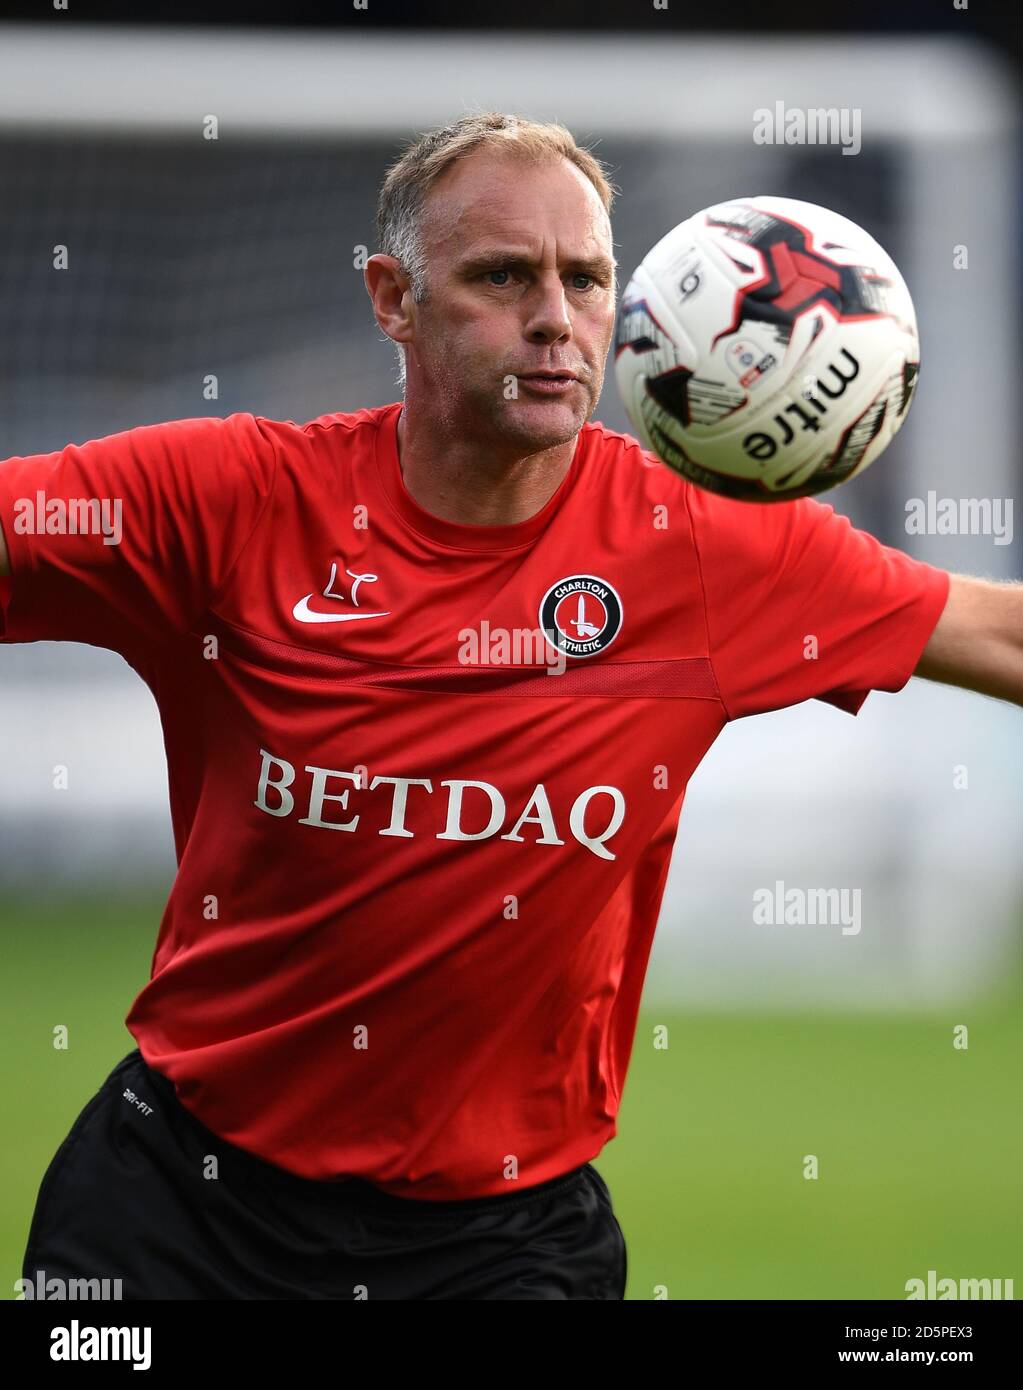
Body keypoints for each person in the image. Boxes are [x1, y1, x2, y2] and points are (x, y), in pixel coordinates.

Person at [0, 112, 1019, 1302]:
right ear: (394, 299)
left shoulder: (701, 551)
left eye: (585, 279)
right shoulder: (225, 501)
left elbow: (994, 629)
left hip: (498, 1247)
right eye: (501, 276)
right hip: (176, 1208)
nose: (555, 317)